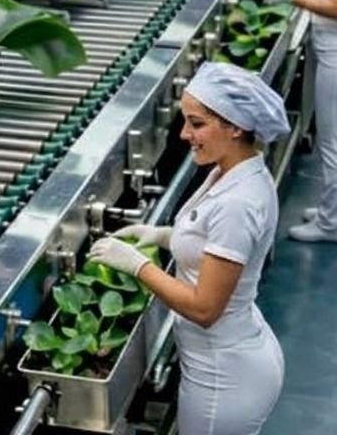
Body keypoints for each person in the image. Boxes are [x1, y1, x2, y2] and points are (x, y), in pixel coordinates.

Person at [89, 61, 287, 435]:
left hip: (223, 379)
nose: (184, 134)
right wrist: (162, 235)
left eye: (197, 124)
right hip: (233, 352)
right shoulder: (229, 170)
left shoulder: (238, 203)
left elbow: (204, 308)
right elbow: (212, 238)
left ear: (234, 126)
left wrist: (137, 266)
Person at [261, 0, 337, 242]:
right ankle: (331, 208)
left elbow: (336, 6)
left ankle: (330, 223)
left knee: (333, 140)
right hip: (327, 50)